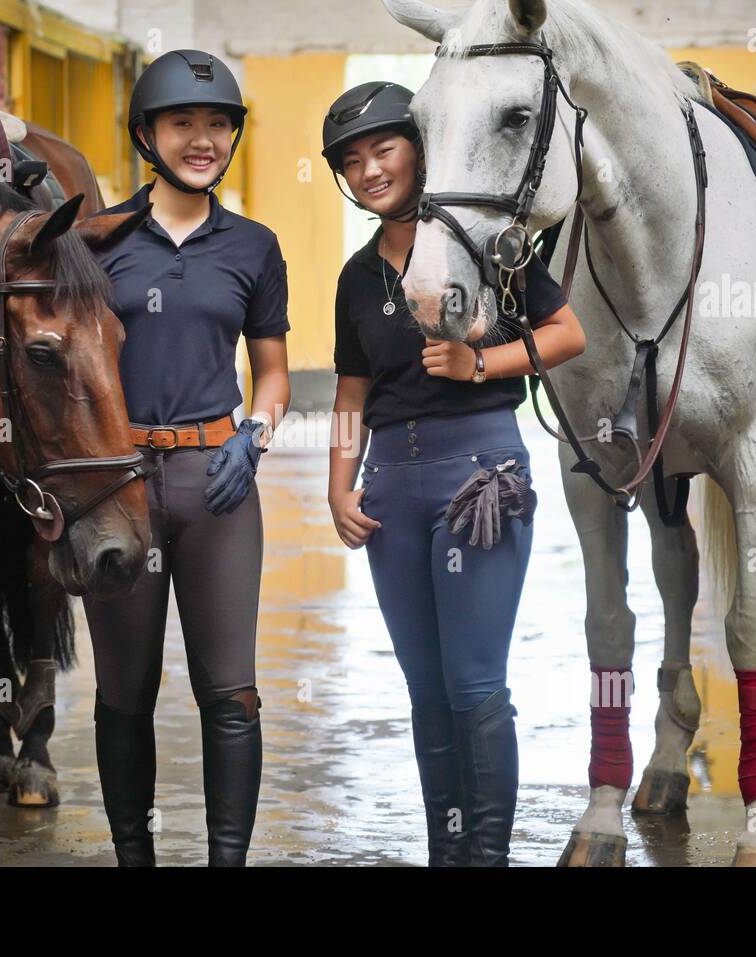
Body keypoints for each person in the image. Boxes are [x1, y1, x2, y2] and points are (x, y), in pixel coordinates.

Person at [323, 81, 586, 866]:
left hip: (479, 477)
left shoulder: (493, 245)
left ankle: (487, 857)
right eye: (352, 161)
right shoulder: (356, 277)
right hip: (391, 488)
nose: (370, 170)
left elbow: (566, 333)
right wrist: (338, 483)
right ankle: (448, 850)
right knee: (426, 689)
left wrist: (481, 363)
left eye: (384, 150)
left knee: (473, 683)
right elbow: (351, 392)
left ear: (421, 149)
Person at [85, 49, 290, 867]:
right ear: (147, 135)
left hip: (218, 486)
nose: (202, 139)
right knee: (123, 692)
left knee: (232, 693)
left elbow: (272, 372)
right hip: (119, 489)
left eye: (217, 124)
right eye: (183, 123)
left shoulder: (254, 246)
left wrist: (256, 435)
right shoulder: (98, 242)